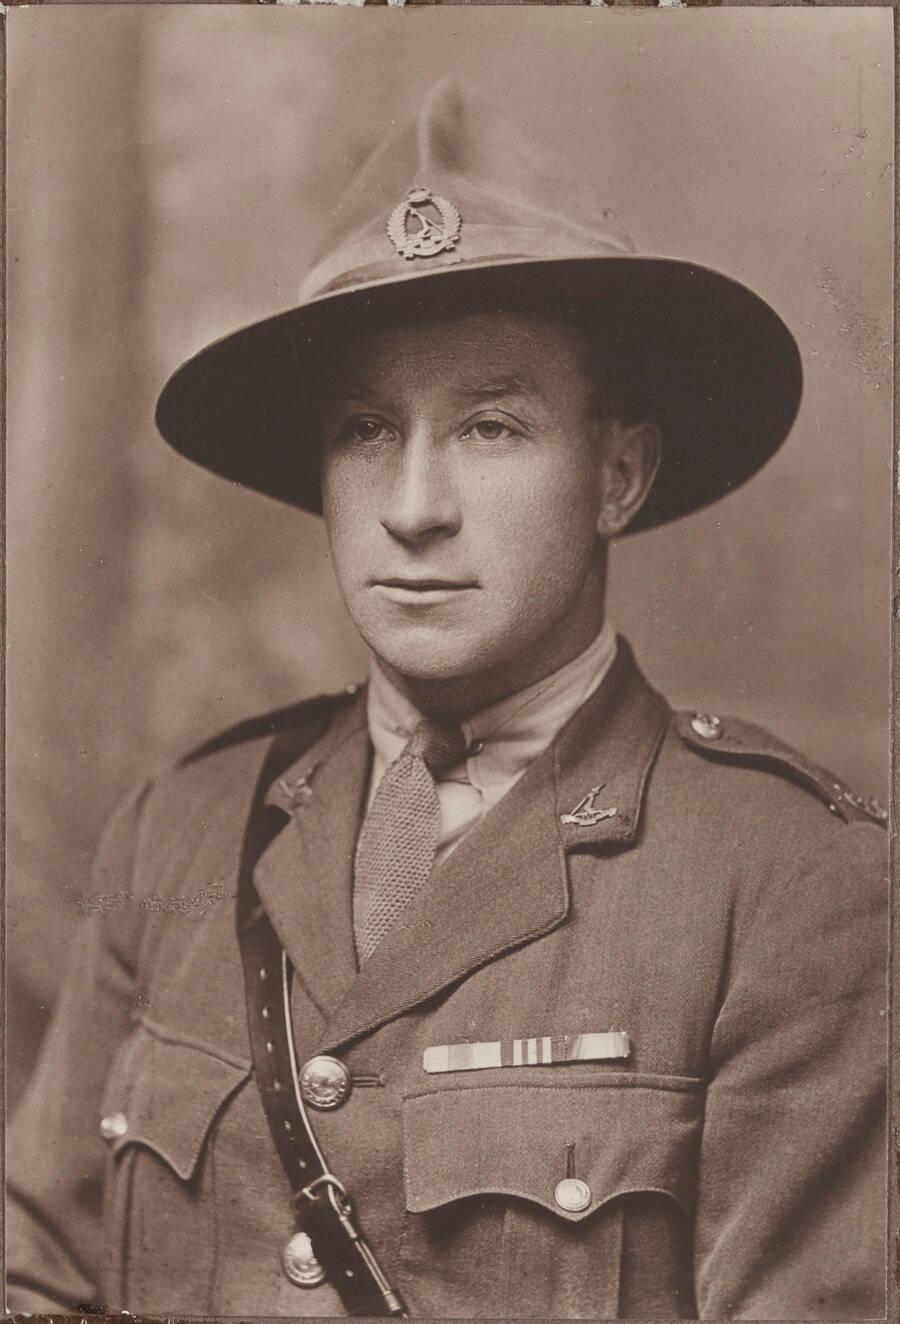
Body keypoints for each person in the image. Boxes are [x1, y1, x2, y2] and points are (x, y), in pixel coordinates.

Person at [7, 79, 887, 1321]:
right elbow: (33, 1274)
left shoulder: (788, 882)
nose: (413, 507)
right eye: (368, 429)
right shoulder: (183, 827)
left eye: (488, 426)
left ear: (619, 475)